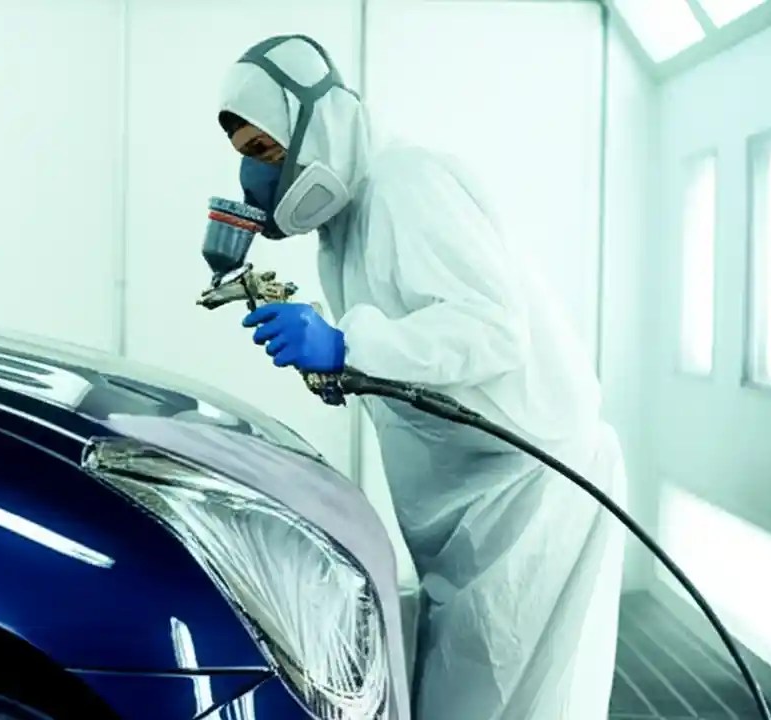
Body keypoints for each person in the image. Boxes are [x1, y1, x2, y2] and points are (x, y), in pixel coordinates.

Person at [217, 35, 628, 719]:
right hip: (473, 511)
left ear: (316, 126)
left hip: (529, 497)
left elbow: (491, 329)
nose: (256, 179)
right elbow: (410, 356)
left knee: (505, 706)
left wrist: (346, 342)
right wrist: (335, 361)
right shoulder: (342, 228)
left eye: (264, 152)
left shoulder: (406, 181)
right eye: (248, 159)